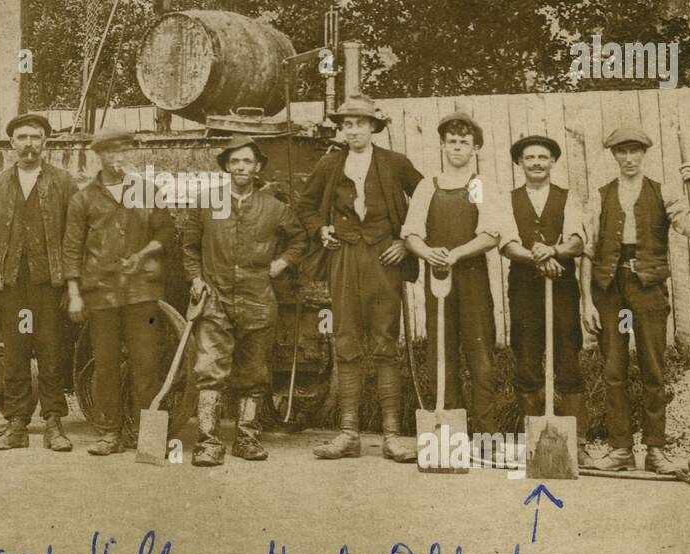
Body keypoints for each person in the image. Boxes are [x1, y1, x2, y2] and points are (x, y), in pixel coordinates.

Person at [297, 94, 424, 461]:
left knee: (386, 344)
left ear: (373, 127)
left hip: (384, 258)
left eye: (360, 123)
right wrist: (321, 229)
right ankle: (349, 433)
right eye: (346, 124)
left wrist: (406, 241)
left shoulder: (395, 163)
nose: (352, 130)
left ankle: (391, 436)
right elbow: (306, 206)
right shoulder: (330, 164)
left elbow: (426, 199)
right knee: (346, 340)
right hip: (344, 258)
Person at [182, 137, 307, 466]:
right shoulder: (207, 202)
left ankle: (247, 439)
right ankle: (208, 442)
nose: (241, 168)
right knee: (210, 371)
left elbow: (299, 239)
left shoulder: (274, 207)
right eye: (235, 162)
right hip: (214, 299)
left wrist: (281, 264)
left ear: (257, 167)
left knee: (253, 374)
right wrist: (195, 278)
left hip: (258, 300)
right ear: (226, 166)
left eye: (247, 162)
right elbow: (189, 247)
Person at [580, 127, 690, 475]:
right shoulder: (601, 196)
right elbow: (587, 250)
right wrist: (587, 300)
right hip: (611, 290)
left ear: (644, 154)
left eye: (635, 151)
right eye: (622, 152)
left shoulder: (662, 193)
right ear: (614, 156)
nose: (629, 159)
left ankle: (656, 451)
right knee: (614, 369)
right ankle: (621, 450)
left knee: (653, 369)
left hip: (646, 290)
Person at [63, 129, 175, 456]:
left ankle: (149, 440)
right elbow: (71, 249)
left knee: (147, 364)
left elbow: (166, 233)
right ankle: (110, 433)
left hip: (142, 292)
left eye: (123, 150)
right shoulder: (82, 199)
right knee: (106, 365)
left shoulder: (147, 191)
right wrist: (74, 293)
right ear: (100, 155)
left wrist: (143, 254)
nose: (118, 157)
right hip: (101, 294)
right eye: (111, 151)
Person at [0, 112, 77, 452]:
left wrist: (72, 286)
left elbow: (77, 238)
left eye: (35, 137)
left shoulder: (64, 183)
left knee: (51, 351)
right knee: (16, 352)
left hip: (49, 285)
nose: (29, 144)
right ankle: (16, 423)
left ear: (45, 141)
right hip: (13, 285)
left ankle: (53, 422)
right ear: (12, 143)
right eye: (23, 138)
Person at [403, 111, 508, 442]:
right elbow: (411, 234)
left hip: (472, 279)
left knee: (481, 359)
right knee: (440, 356)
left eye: (465, 142)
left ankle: (487, 436)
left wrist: (457, 253)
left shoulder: (477, 186)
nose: (457, 148)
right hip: (438, 279)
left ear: (475, 148)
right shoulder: (428, 187)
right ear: (442, 146)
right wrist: (428, 252)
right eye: (452, 142)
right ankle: (450, 438)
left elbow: (491, 234)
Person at [499, 134, 591, 466]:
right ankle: (533, 442)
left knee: (568, 355)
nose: (536, 163)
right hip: (524, 288)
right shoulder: (507, 199)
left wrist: (552, 250)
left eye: (542, 157)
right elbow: (508, 244)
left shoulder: (568, 198)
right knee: (526, 357)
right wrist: (538, 259)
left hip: (562, 286)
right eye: (529, 158)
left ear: (553, 162)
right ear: (519, 164)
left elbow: (577, 243)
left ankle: (576, 443)